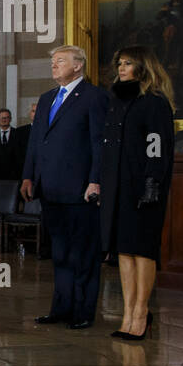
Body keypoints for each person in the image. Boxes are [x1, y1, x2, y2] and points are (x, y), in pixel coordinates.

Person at [22, 44, 109, 330]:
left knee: (83, 253)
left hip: (80, 188)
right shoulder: (47, 98)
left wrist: (95, 180)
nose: (54, 65)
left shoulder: (94, 97)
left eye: (60, 61)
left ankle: (83, 312)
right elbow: (36, 141)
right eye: (53, 62)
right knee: (59, 253)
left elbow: (99, 143)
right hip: (50, 188)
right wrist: (28, 176)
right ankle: (61, 308)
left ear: (78, 65)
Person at [100, 46, 176, 340]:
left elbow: (157, 147)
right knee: (124, 252)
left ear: (143, 67)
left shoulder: (154, 103)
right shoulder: (117, 102)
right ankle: (128, 312)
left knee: (143, 250)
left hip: (144, 188)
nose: (121, 68)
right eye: (119, 62)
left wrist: (152, 182)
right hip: (120, 188)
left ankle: (141, 313)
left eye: (128, 63)